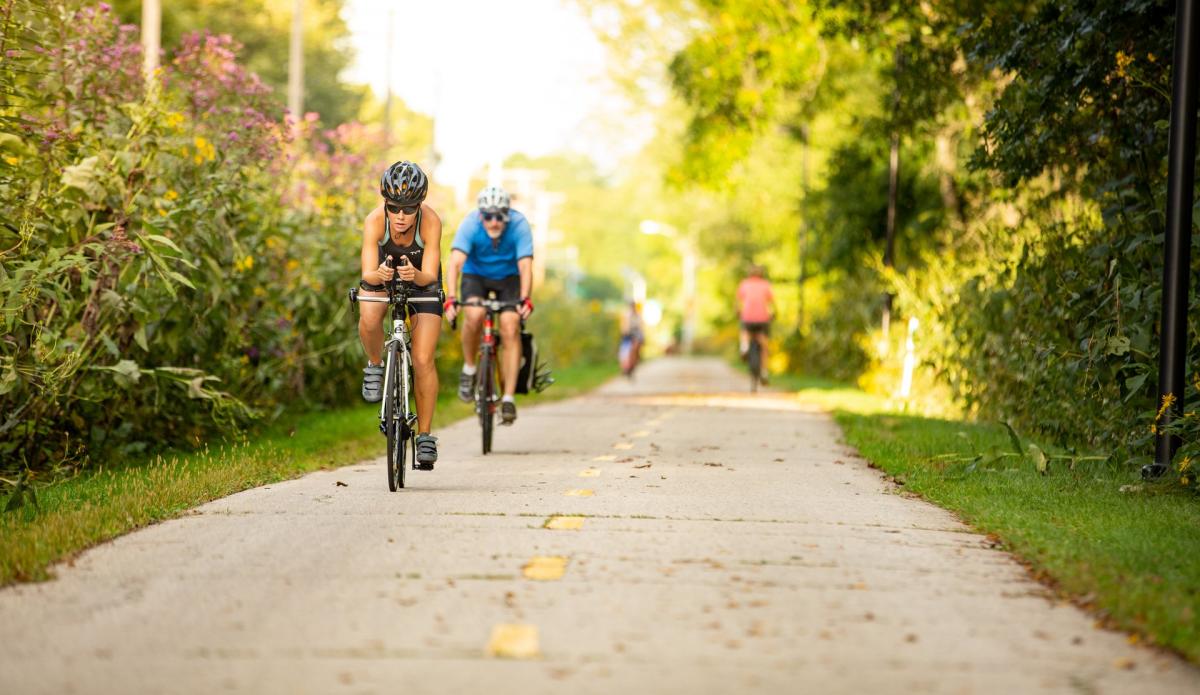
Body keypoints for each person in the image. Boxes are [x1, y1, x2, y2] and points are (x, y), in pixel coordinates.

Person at [358, 161, 444, 469]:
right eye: (394, 208)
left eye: (409, 209)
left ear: (419, 205)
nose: (401, 217)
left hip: (421, 281)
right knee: (369, 315)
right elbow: (366, 273)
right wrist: (380, 274)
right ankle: (376, 363)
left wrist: (414, 275)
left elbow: (430, 276)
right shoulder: (374, 221)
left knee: (422, 359)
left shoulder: (431, 222)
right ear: (386, 204)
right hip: (382, 275)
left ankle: (425, 436)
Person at [443, 185, 534, 425]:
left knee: (510, 325)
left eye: (499, 216)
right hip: (476, 276)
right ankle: (470, 368)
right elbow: (454, 264)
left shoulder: (519, 225)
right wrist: (451, 297)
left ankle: (508, 398)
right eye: (488, 216)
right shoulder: (470, 224)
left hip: (509, 278)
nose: (493, 222)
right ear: (480, 214)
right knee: (474, 315)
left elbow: (525, 266)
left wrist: (525, 297)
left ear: (507, 214)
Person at [737, 264, 774, 385]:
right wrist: (774, 313)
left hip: (747, 317)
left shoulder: (744, 284)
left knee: (745, 331)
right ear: (761, 274)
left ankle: (744, 347)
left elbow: (738, 302)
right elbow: (771, 303)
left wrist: (738, 312)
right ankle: (764, 372)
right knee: (764, 345)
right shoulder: (765, 284)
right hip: (763, 318)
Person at [618, 301, 644, 377]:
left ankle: (633, 364)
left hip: (636, 334)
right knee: (625, 352)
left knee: (634, 349)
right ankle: (626, 367)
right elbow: (624, 326)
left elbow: (640, 327)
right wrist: (624, 332)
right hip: (627, 335)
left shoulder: (638, 315)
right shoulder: (626, 315)